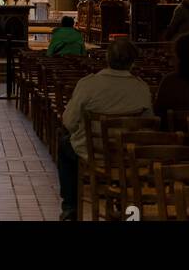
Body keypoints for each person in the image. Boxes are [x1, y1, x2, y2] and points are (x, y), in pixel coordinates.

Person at [56, 36, 153, 221]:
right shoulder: (141, 88)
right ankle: (123, 200)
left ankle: (70, 207)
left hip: (92, 153)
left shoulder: (89, 84)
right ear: (132, 61)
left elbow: (68, 122)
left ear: (107, 58)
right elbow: (148, 124)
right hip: (127, 153)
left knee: (64, 145)